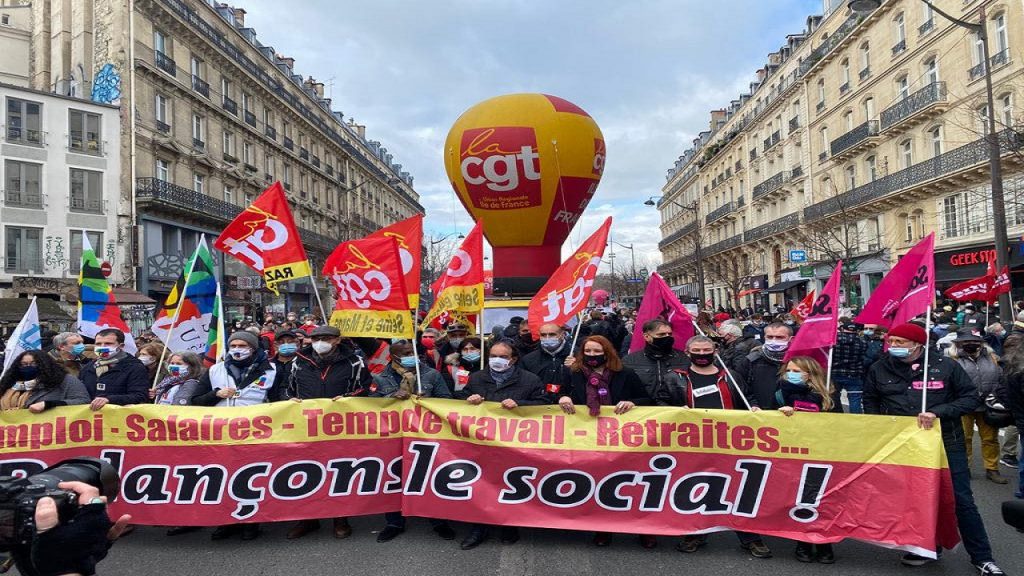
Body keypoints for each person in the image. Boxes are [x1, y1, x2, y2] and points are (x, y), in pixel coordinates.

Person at [863, 323, 1006, 575]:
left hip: (945, 442)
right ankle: (927, 546)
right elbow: (871, 398)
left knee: (961, 501)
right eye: (891, 341)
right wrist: (879, 426)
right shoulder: (878, 367)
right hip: (904, 445)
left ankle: (982, 557)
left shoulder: (946, 366)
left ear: (918, 344)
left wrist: (937, 412)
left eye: (900, 342)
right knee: (915, 498)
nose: (893, 347)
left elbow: (970, 398)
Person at [672, 336, 769, 558]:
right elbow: (661, 403)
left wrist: (753, 406)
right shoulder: (675, 377)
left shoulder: (730, 376)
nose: (702, 354)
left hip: (730, 443)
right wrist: (676, 411)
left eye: (706, 350)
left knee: (738, 491)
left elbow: (748, 397)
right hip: (692, 444)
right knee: (697, 489)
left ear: (715, 351)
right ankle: (696, 533)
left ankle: (750, 537)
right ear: (688, 352)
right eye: (696, 350)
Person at [558, 335, 654, 548]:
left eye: (597, 351)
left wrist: (632, 402)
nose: (592, 356)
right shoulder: (573, 373)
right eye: (588, 352)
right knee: (600, 484)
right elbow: (561, 393)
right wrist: (563, 397)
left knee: (631, 484)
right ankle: (603, 529)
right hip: (589, 437)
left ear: (607, 352)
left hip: (623, 438)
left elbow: (647, 399)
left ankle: (643, 529)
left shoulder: (625, 373)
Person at [284, 325, 379, 540]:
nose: (320, 342)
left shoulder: (355, 361)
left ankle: (340, 518)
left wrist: (349, 399)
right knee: (305, 472)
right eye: (315, 338)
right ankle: (308, 519)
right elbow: (285, 388)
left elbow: (366, 387)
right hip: (305, 426)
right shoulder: (298, 361)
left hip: (340, 427)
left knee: (339, 472)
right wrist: (289, 400)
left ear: (337, 340)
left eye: (325, 338)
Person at [459, 340, 547, 550]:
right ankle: (479, 527)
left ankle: (509, 524)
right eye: (493, 356)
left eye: (503, 357)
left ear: (514, 359)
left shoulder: (530, 379)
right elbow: (458, 400)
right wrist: (467, 398)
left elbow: (544, 404)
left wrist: (521, 405)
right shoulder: (478, 377)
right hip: (482, 443)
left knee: (510, 484)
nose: (496, 360)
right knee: (480, 484)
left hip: (513, 444)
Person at [371, 341, 455, 543]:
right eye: (406, 353)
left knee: (427, 475)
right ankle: (394, 522)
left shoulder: (431, 375)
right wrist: (390, 398)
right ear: (394, 356)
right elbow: (369, 405)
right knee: (393, 477)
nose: (411, 355)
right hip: (393, 437)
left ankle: (437, 520)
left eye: (413, 352)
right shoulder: (380, 378)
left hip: (424, 435)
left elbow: (447, 399)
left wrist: (428, 401)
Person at [777, 356, 841, 563]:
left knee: (822, 498)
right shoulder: (780, 391)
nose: (792, 374)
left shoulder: (828, 392)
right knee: (799, 497)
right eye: (789, 370)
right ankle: (803, 541)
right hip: (793, 452)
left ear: (810, 373)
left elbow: (842, 422)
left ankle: (824, 542)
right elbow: (769, 420)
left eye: (797, 371)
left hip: (823, 450)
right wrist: (782, 414)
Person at [948, 329, 1009, 485]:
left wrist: (996, 395)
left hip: (988, 405)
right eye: (967, 341)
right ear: (959, 343)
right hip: (963, 405)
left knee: (990, 439)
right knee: (965, 439)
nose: (971, 344)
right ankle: (964, 469)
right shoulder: (951, 359)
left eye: (975, 341)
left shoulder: (992, 357)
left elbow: (1002, 378)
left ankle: (992, 469)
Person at [622, 319, 689, 406]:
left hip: (676, 412)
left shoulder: (683, 359)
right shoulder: (629, 361)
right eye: (661, 334)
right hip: (643, 413)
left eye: (669, 334)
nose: (667, 337)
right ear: (646, 337)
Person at [79, 328, 150, 410]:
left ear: (121, 346)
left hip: (118, 418)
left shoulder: (134, 367)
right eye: (98, 344)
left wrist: (109, 399)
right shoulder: (89, 367)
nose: (102, 347)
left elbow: (140, 396)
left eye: (108, 344)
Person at [0, 350, 90, 411]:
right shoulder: (9, 383)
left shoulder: (64, 380)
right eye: (23, 364)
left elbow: (83, 400)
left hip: (49, 432)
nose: (28, 367)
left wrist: (50, 404)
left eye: (33, 363)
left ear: (45, 365)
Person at [733, 322, 793, 409]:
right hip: (760, 414)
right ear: (764, 337)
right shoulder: (751, 360)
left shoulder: (799, 361)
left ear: (791, 339)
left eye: (780, 337)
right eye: (770, 337)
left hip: (791, 415)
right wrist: (753, 405)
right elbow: (741, 387)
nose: (774, 340)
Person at [520, 323, 573, 402]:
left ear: (562, 335)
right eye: (543, 335)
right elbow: (524, 386)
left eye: (552, 334)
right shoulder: (528, 359)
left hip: (571, 405)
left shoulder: (577, 355)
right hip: (540, 406)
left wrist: (577, 367)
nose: (547, 338)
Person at [832, 322, 868, 414]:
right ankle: (855, 420)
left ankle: (836, 416)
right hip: (854, 374)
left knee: (834, 397)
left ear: (842, 329)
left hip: (835, 373)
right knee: (855, 399)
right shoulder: (863, 342)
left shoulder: (834, 340)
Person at [268, 328, 301, 401]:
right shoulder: (268, 364)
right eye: (281, 342)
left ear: (297, 344)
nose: (286, 344)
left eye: (290, 342)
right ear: (275, 345)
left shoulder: (303, 364)